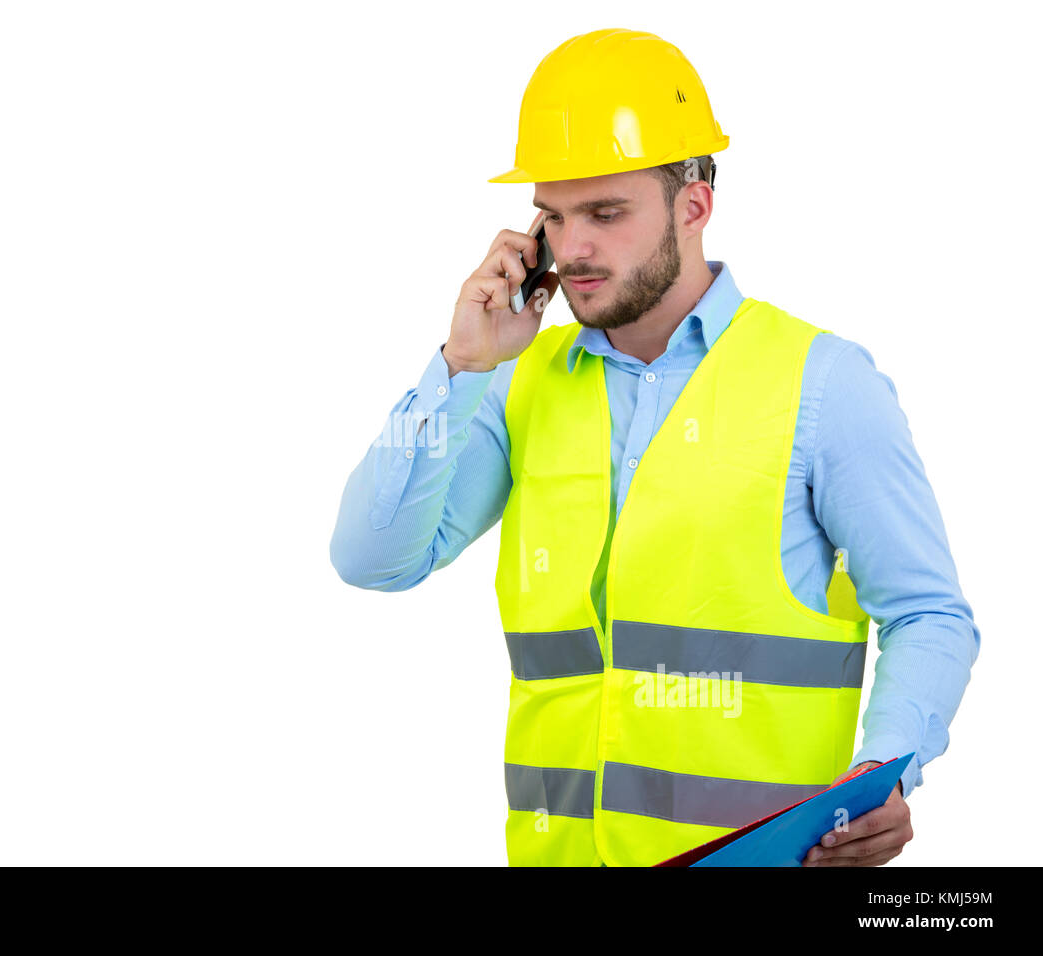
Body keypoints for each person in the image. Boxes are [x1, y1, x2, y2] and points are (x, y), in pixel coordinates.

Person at [329, 28, 978, 867]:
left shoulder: (824, 384)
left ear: (693, 206)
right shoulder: (512, 383)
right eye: (555, 217)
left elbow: (929, 614)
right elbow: (371, 559)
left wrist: (886, 771)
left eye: (606, 213)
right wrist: (458, 365)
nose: (574, 249)